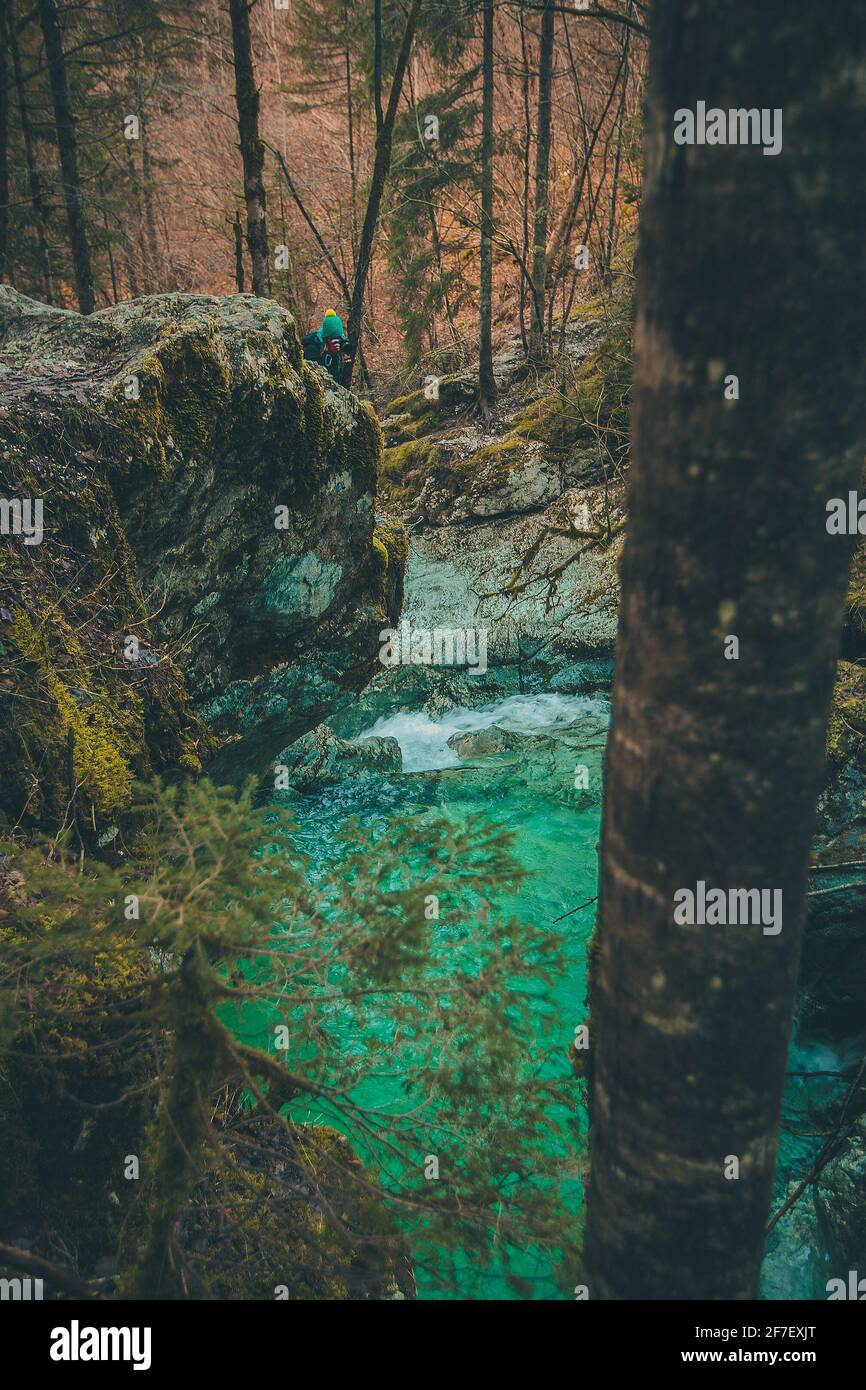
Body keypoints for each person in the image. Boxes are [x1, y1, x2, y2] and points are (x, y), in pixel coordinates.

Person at [301, 310, 354, 386]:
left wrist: (346, 367)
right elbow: (317, 379)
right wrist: (330, 354)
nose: (337, 343)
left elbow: (341, 384)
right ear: (326, 338)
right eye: (334, 338)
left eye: (339, 339)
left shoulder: (338, 351)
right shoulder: (312, 348)